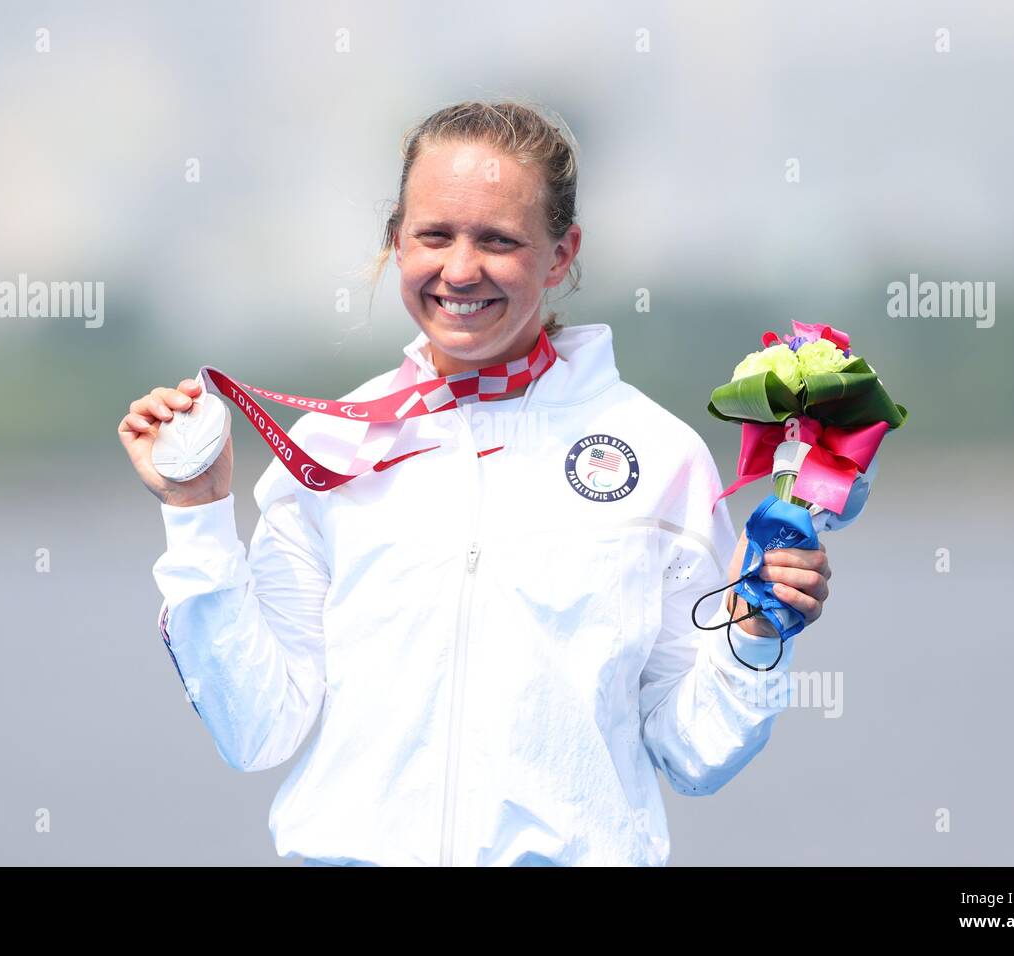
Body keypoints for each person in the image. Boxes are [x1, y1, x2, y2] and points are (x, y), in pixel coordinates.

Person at [117, 100, 832, 867]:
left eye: (499, 240)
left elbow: (692, 753)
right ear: (396, 241)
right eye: (434, 235)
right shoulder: (330, 447)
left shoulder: (658, 457)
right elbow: (255, 728)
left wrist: (755, 635)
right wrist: (196, 514)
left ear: (562, 255)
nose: (460, 270)